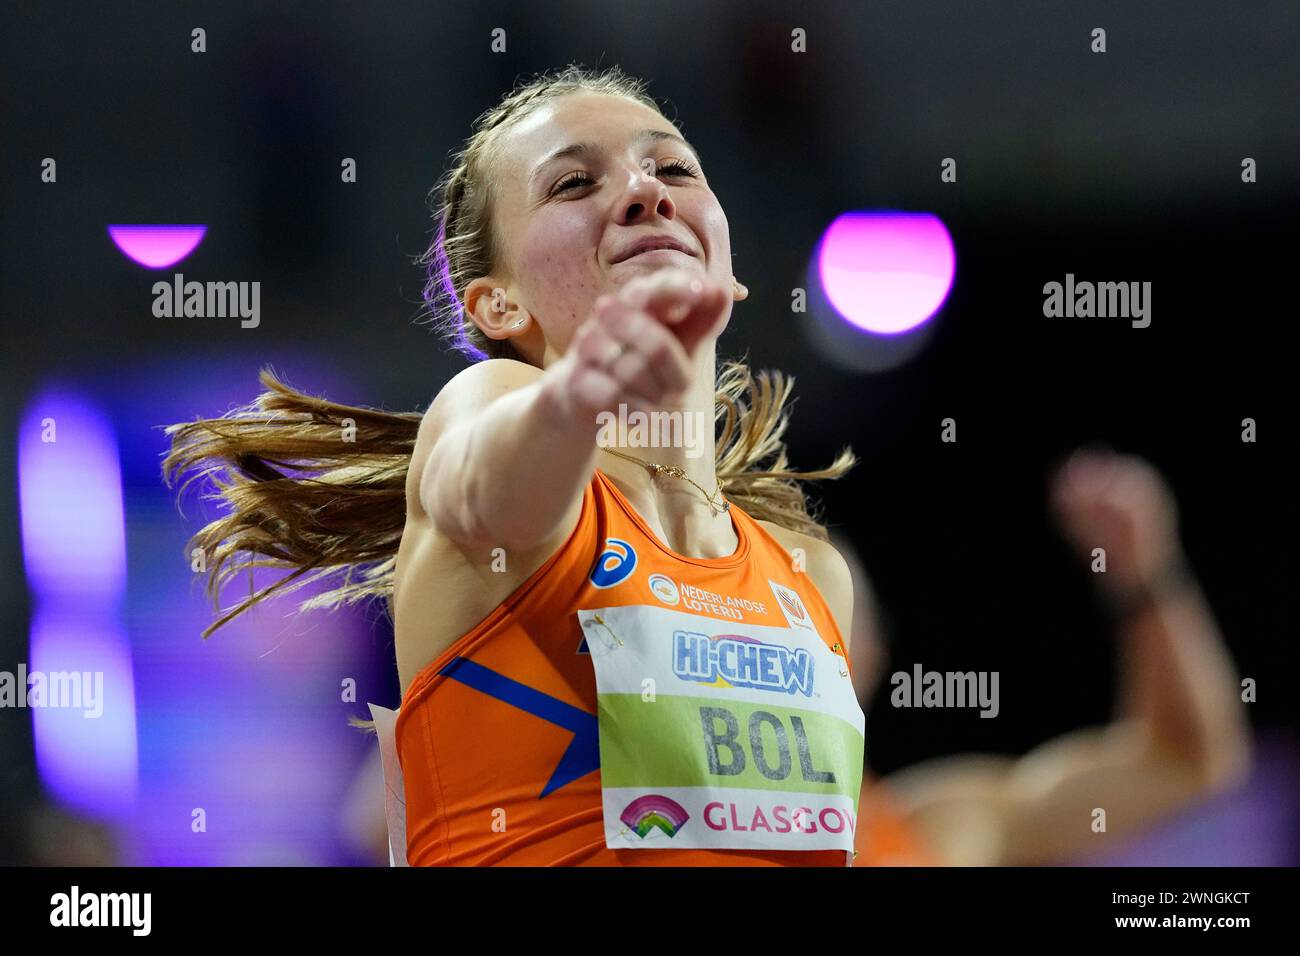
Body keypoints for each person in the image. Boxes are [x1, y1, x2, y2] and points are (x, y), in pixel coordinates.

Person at [163, 64, 864, 866]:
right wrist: (579, 391)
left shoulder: (810, 576)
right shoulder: (489, 406)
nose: (645, 193)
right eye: (573, 184)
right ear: (499, 305)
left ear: (729, 269)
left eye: (671, 167)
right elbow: (485, 499)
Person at [841, 448, 1254, 865]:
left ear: (872, 655)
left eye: (824, 610)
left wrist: (1143, 580)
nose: (791, 641)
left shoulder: (941, 828)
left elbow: (1182, 762)